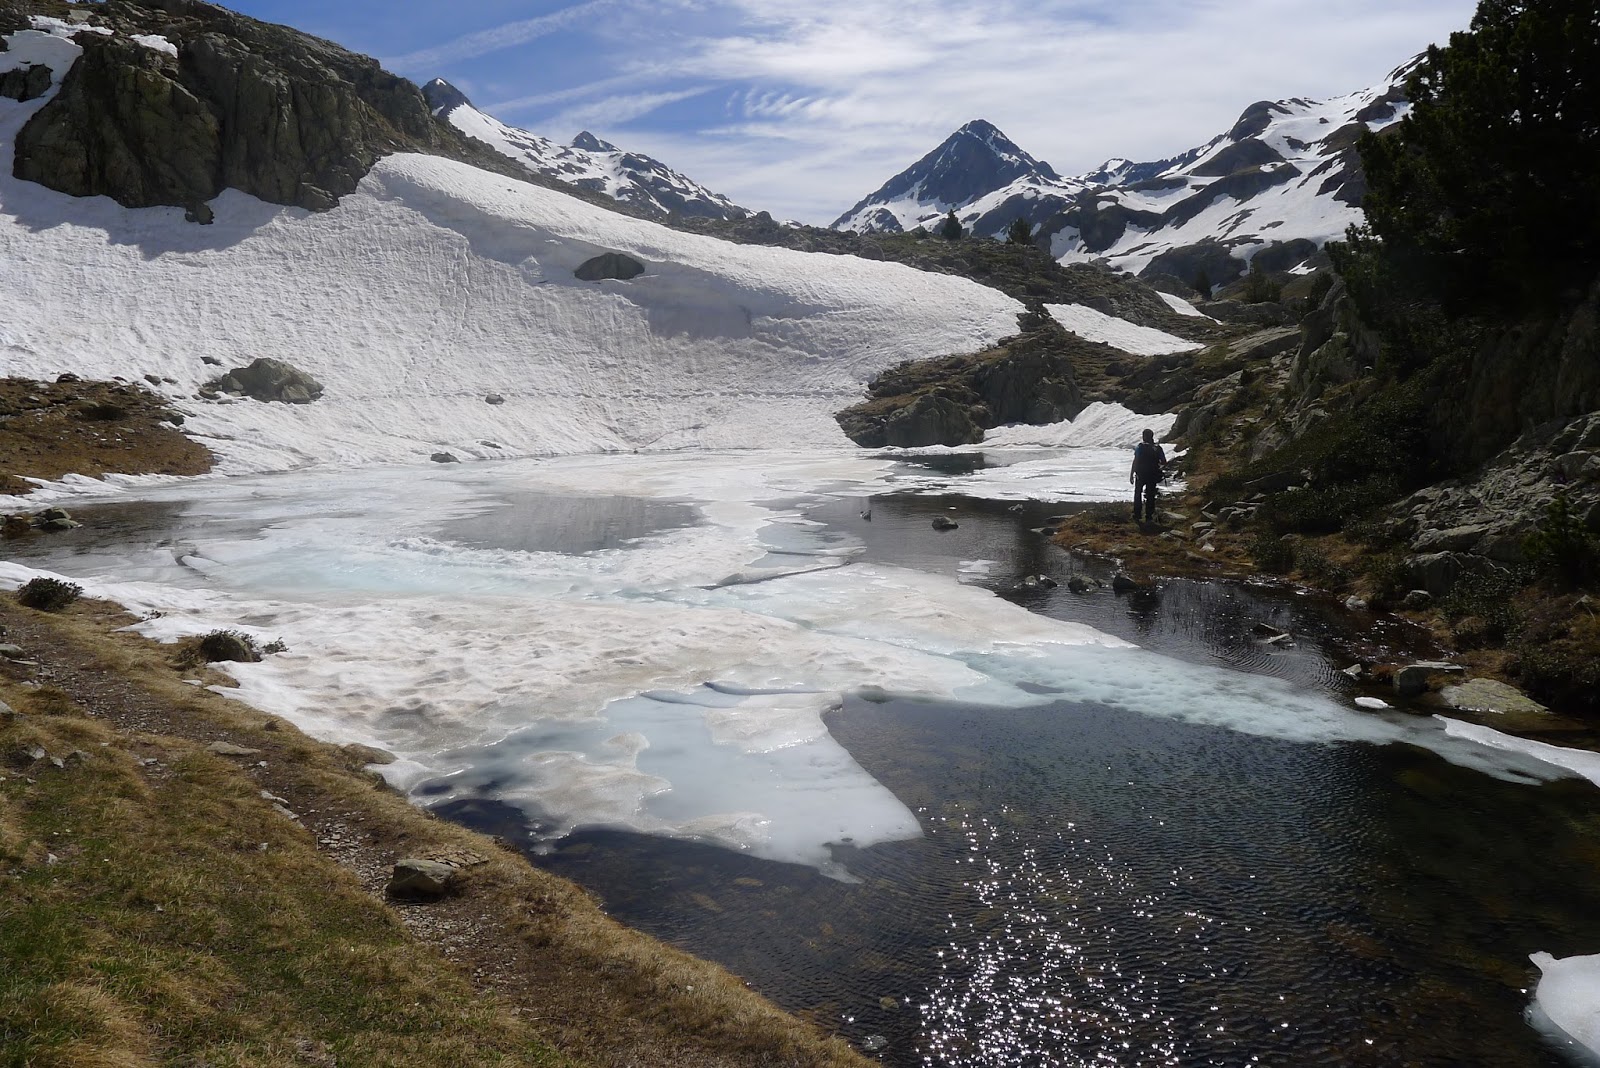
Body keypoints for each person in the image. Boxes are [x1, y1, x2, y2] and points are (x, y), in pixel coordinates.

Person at [1129, 428, 1167, 524]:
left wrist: (1132, 473)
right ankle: (1149, 516)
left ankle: (1137, 514)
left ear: (1144, 436)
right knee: (1150, 495)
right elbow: (1164, 462)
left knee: (1138, 493)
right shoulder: (1157, 448)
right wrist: (1158, 468)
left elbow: (1136, 460)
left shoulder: (1140, 447)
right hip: (1152, 475)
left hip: (1141, 474)